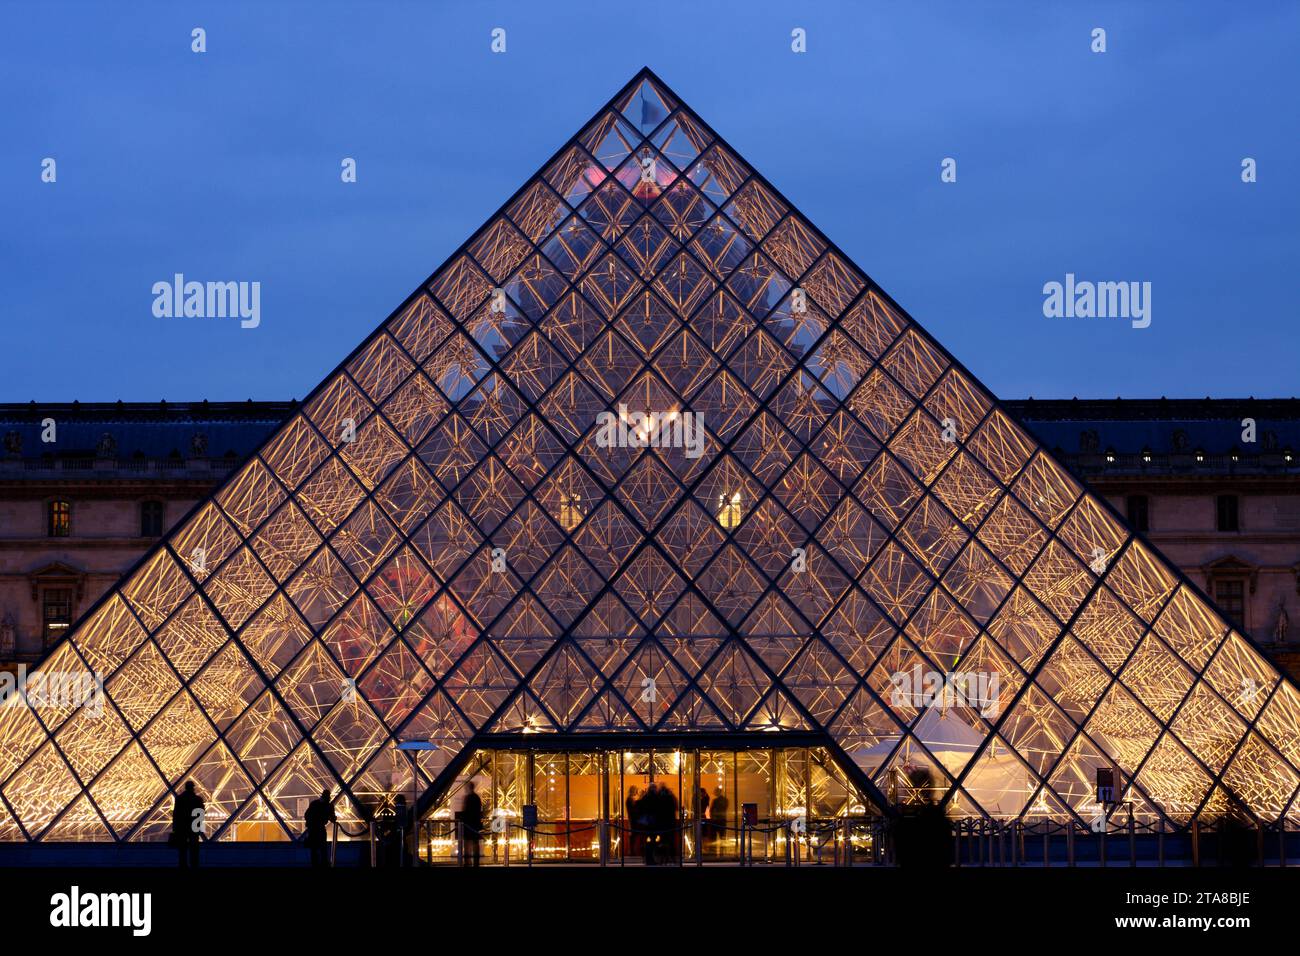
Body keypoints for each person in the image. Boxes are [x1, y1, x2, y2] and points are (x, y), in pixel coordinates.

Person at [169, 781, 204, 868]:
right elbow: (201, 813)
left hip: (182, 827)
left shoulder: (179, 799)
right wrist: (199, 827)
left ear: (185, 787)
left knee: (182, 848)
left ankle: (182, 864)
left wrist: (175, 827)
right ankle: (194, 864)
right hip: (193, 826)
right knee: (194, 847)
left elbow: (176, 814)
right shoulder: (198, 799)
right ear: (193, 787)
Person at [304, 788, 336, 868]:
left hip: (313, 829)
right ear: (328, 797)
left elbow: (306, 815)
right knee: (323, 848)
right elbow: (332, 818)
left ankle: (315, 865)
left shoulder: (314, 803)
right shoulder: (329, 806)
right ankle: (324, 865)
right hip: (321, 829)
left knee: (314, 849)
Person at [458, 781, 484, 867]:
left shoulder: (468, 798)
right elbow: (479, 811)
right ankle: (476, 863)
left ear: (469, 787)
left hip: (468, 824)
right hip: (475, 824)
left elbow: (465, 811)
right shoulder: (477, 798)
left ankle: (467, 862)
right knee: (475, 844)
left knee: (467, 845)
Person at [658, 782, 678, 864]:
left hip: (661, 823)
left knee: (662, 841)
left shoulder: (659, 798)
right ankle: (672, 858)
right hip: (671, 822)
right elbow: (676, 807)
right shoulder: (671, 797)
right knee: (671, 841)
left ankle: (663, 859)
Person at [638, 782, 658, 865]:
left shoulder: (645, 797)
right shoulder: (654, 798)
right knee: (652, 841)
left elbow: (640, 807)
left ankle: (648, 859)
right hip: (652, 822)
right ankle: (650, 859)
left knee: (648, 841)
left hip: (647, 823)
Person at [708, 786, 729, 855]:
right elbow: (725, 809)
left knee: (713, 838)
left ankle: (713, 854)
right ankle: (722, 853)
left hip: (716, 821)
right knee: (722, 837)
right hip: (722, 820)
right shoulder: (725, 800)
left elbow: (711, 810)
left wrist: (712, 817)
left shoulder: (715, 801)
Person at [625, 786, 641, 858]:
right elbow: (633, 810)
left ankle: (632, 851)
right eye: (635, 791)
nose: (636, 792)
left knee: (633, 837)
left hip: (633, 820)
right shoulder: (630, 800)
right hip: (633, 820)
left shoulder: (630, 799)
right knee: (633, 836)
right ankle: (632, 852)